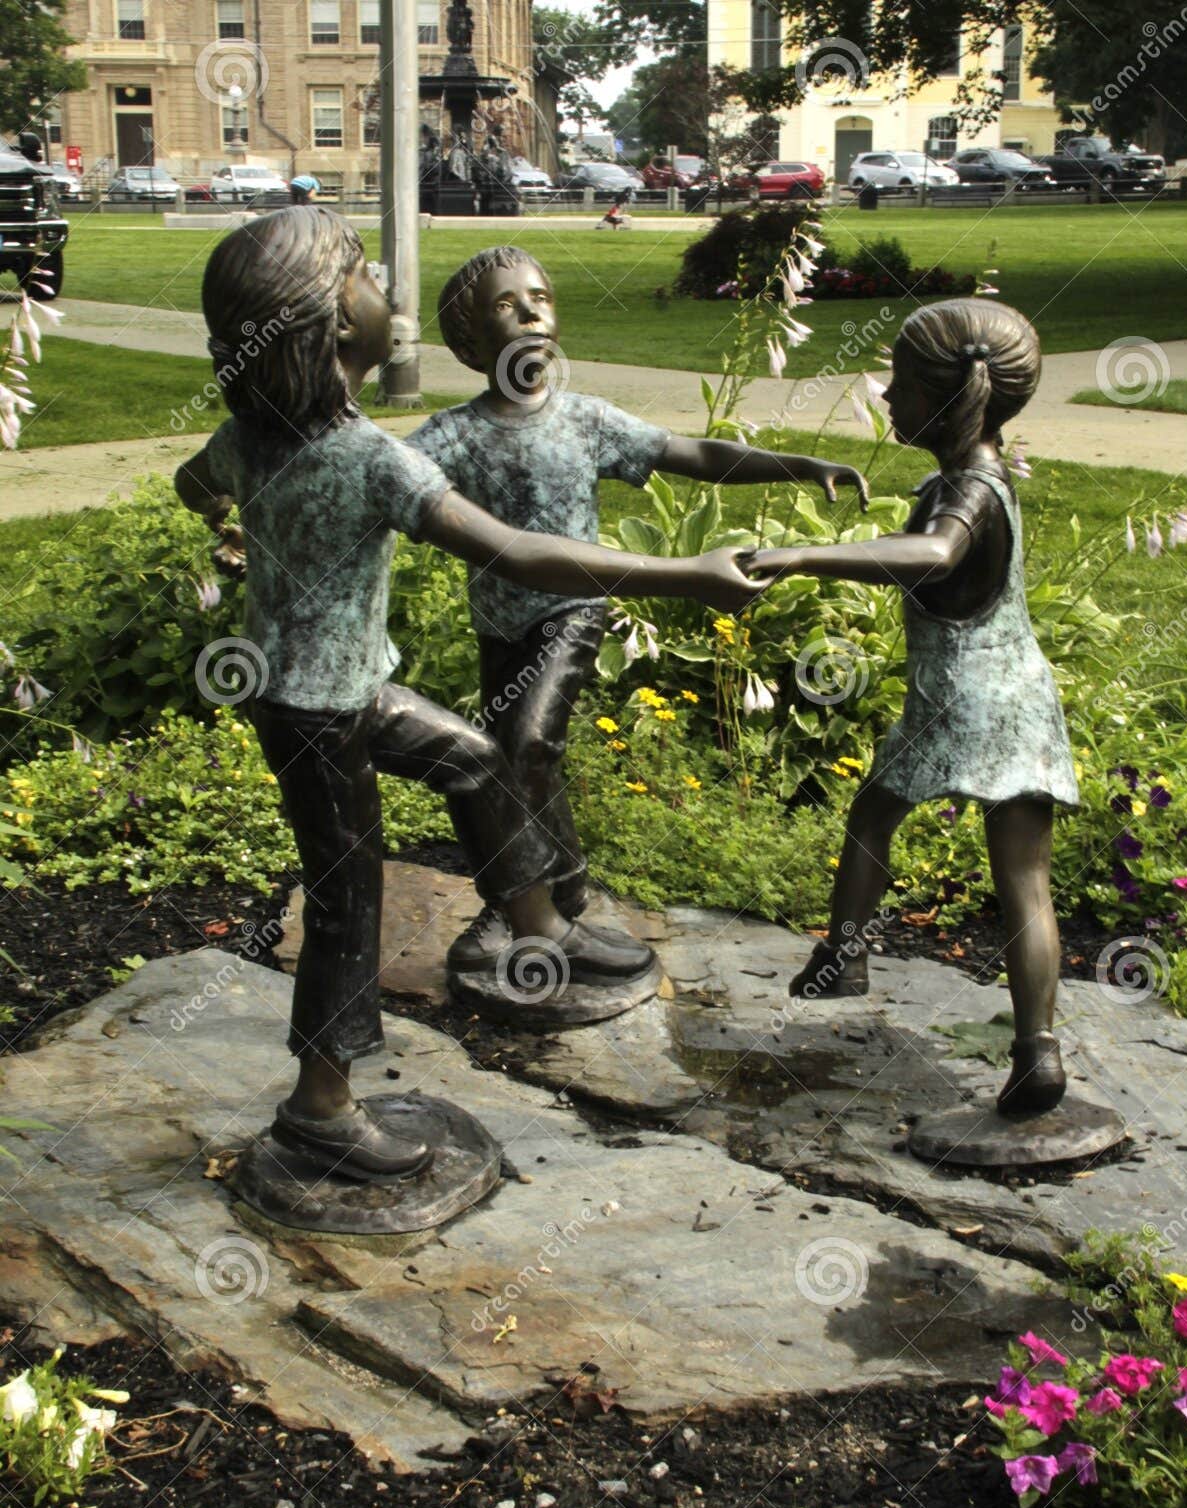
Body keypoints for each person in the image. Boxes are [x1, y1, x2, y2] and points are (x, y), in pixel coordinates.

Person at [173, 208, 757, 1184]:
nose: (385, 290)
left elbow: (195, 483)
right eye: (366, 276)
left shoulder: (249, 437)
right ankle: (320, 1108)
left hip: (336, 693)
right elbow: (518, 552)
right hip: (318, 716)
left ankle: (539, 924)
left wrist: (224, 517)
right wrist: (686, 574)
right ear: (331, 323)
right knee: (346, 897)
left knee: (478, 760)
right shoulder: (372, 460)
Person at [409, 245, 869, 969]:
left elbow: (695, 454)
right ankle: (536, 899)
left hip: (571, 613)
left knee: (526, 747)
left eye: (540, 298)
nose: (531, 314)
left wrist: (799, 466)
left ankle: (547, 900)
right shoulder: (454, 434)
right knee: (512, 760)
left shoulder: (584, 420)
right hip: (499, 624)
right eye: (505, 305)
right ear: (468, 343)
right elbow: (381, 482)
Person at [745, 297, 1077, 1117]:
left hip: (960, 699)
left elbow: (934, 553)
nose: (889, 395)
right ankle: (1037, 1050)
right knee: (1022, 879)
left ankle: (846, 954)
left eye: (901, 382)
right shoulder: (974, 480)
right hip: (1021, 697)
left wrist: (805, 554)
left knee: (875, 814)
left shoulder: (970, 492)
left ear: (949, 396)